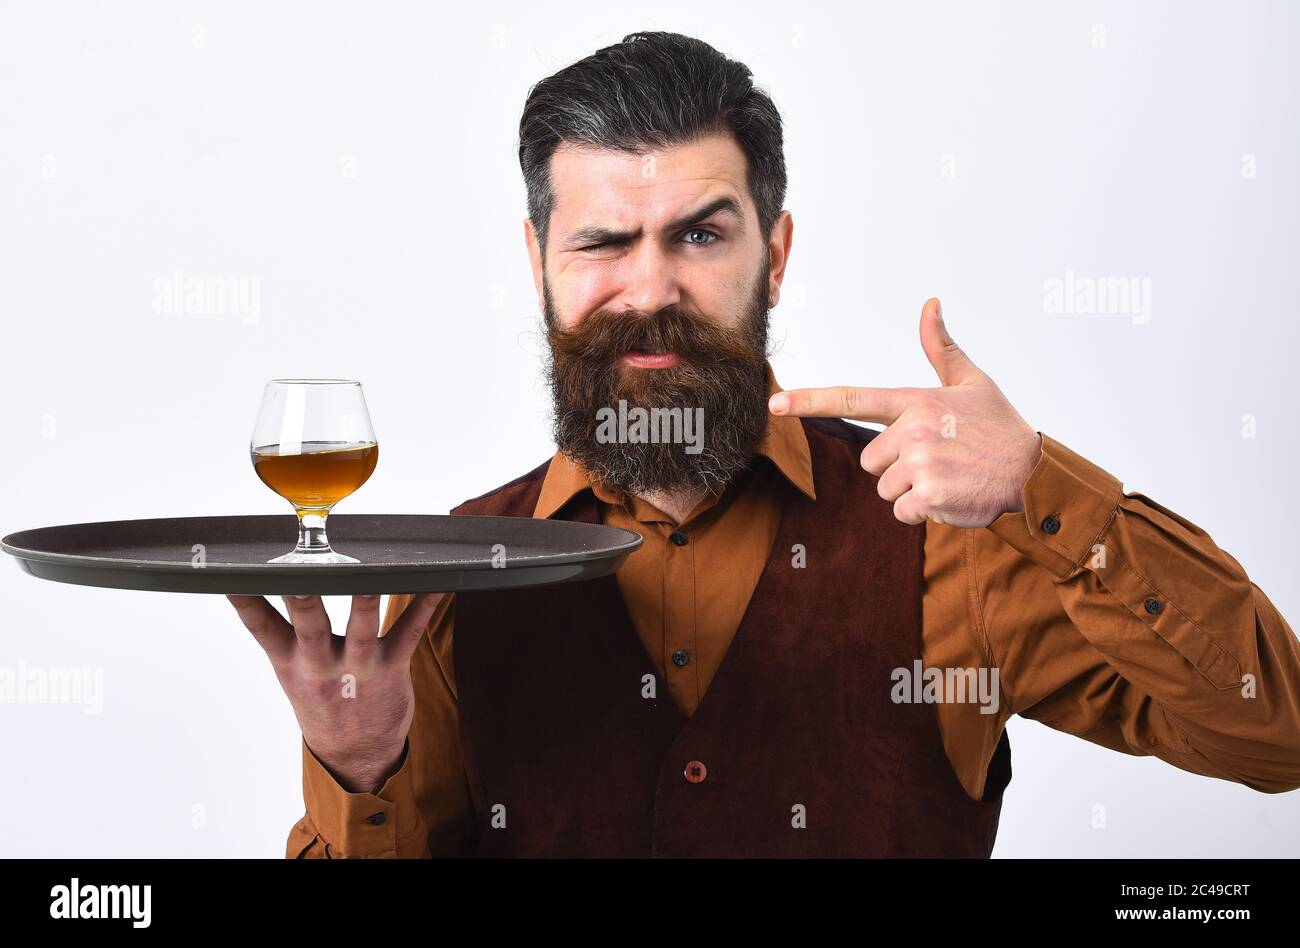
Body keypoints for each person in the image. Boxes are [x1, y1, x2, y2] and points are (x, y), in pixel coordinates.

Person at [227, 31, 1300, 858]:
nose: (649, 288)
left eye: (699, 234)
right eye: (601, 241)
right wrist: (358, 766)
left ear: (773, 254)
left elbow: (1273, 736)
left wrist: (1041, 492)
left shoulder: (952, 536)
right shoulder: (458, 572)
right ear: (538, 262)